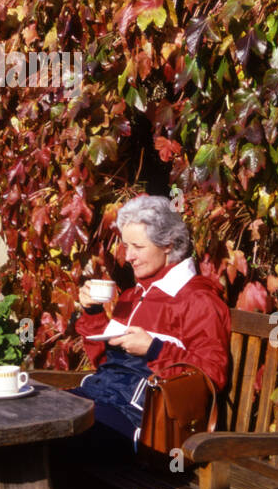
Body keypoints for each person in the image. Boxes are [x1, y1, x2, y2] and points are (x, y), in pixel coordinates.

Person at [67, 194, 230, 459]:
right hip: (102, 397)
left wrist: (154, 349)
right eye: (125, 246)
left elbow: (212, 376)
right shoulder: (133, 295)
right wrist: (93, 312)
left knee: (53, 435)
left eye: (137, 247)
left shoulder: (198, 301)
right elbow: (104, 362)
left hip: (147, 426)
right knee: (35, 412)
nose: (128, 256)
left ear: (169, 245)